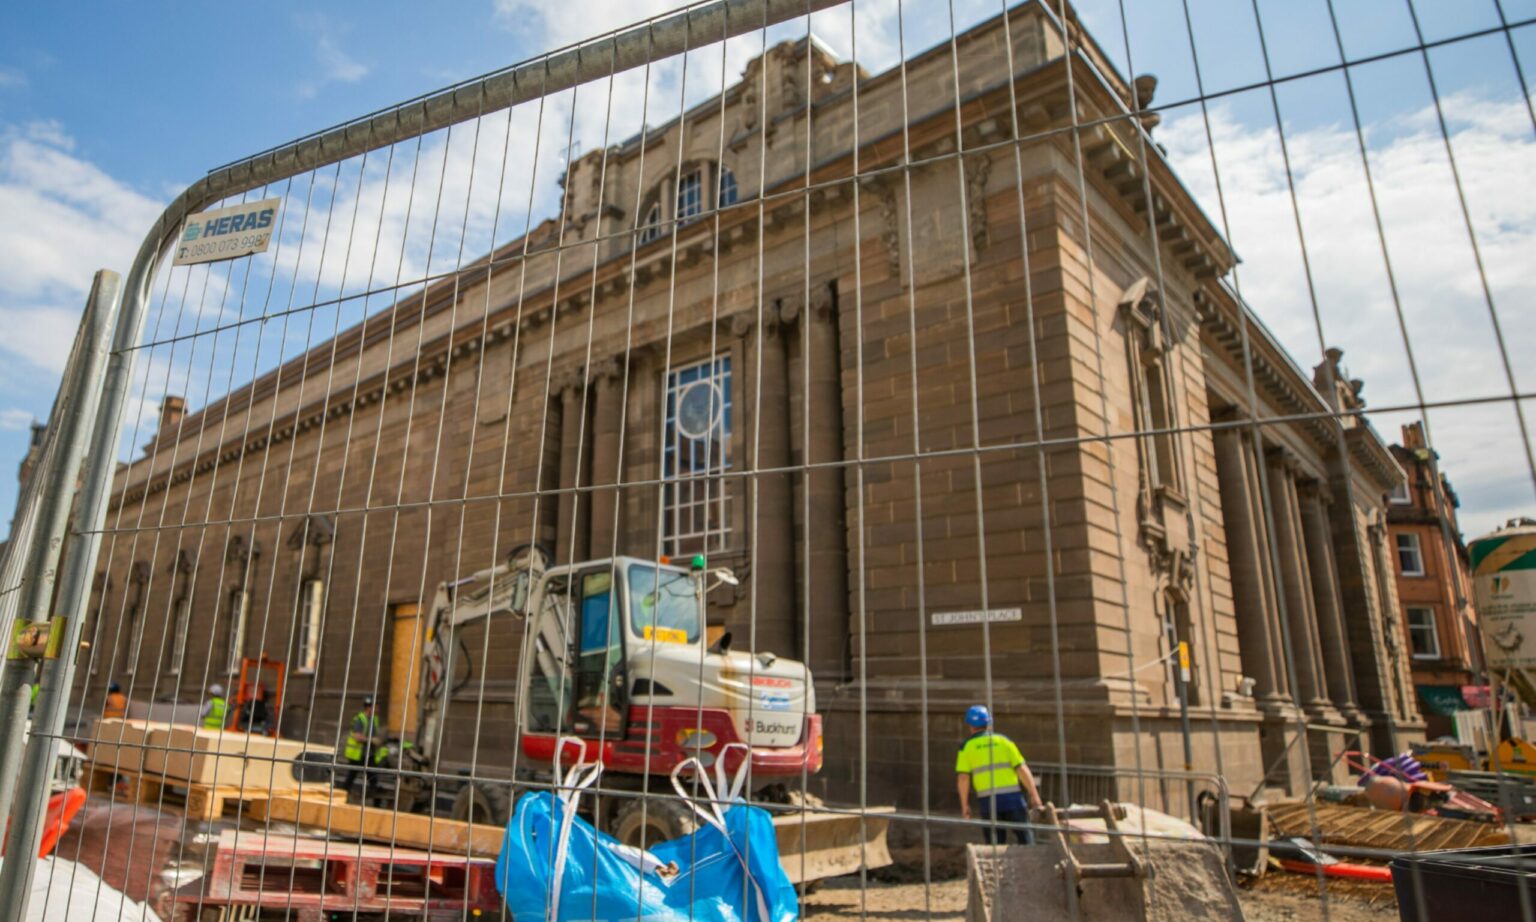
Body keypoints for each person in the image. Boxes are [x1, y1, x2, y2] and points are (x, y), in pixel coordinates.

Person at [955, 704, 1043, 845]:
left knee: (994, 845)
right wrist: (1034, 795)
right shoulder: (1004, 741)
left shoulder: (966, 747)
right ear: (989, 722)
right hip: (1013, 799)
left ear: (970, 725)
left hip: (988, 802)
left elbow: (963, 778)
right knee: (1026, 840)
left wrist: (965, 806)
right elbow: (1022, 769)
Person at [341, 694, 381, 794]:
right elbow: (357, 736)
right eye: (376, 706)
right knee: (352, 775)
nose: (378, 708)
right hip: (357, 754)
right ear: (369, 707)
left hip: (369, 753)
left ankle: (375, 796)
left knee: (372, 776)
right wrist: (371, 740)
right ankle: (343, 793)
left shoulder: (374, 719)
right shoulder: (360, 719)